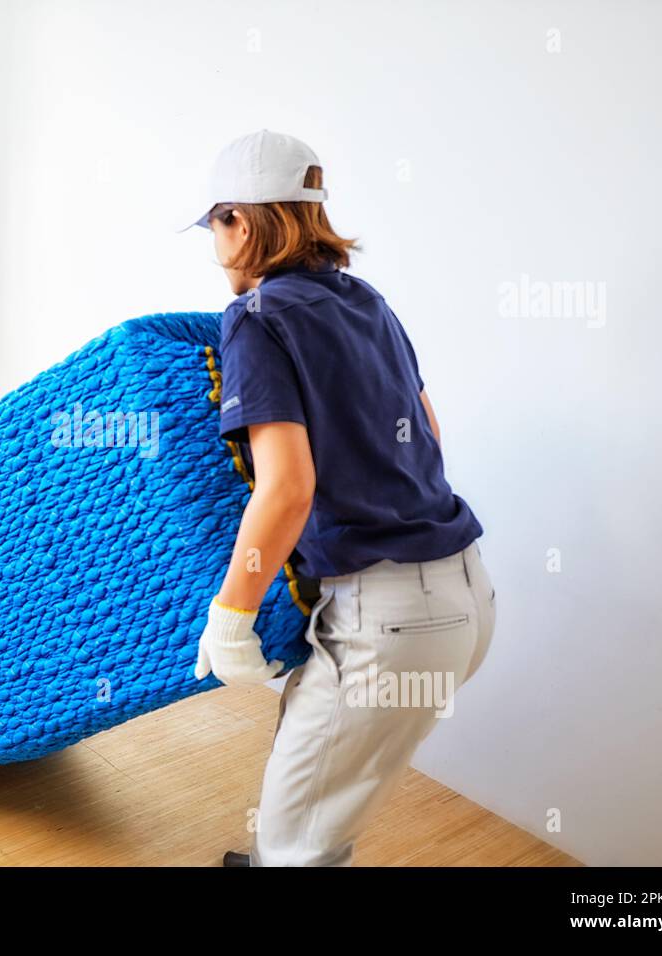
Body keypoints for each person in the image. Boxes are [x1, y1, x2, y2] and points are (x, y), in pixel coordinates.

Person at [181, 130, 496, 866]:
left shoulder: (256, 318)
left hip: (388, 621)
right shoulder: (368, 302)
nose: (214, 244)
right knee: (306, 774)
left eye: (214, 223)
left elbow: (287, 489)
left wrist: (232, 616)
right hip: (465, 597)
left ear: (244, 219)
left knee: (297, 843)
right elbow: (430, 432)